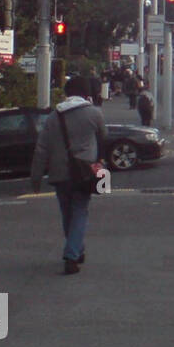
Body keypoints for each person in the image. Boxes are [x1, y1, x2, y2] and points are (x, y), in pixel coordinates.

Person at [30, 76, 107, 274]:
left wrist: (36, 177)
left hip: (59, 174)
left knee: (68, 214)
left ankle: (76, 250)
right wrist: (101, 170)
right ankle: (72, 254)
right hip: (84, 172)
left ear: (66, 93)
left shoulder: (53, 117)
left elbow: (41, 149)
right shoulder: (94, 114)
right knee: (80, 210)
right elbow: (103, 142)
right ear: (86, 93)